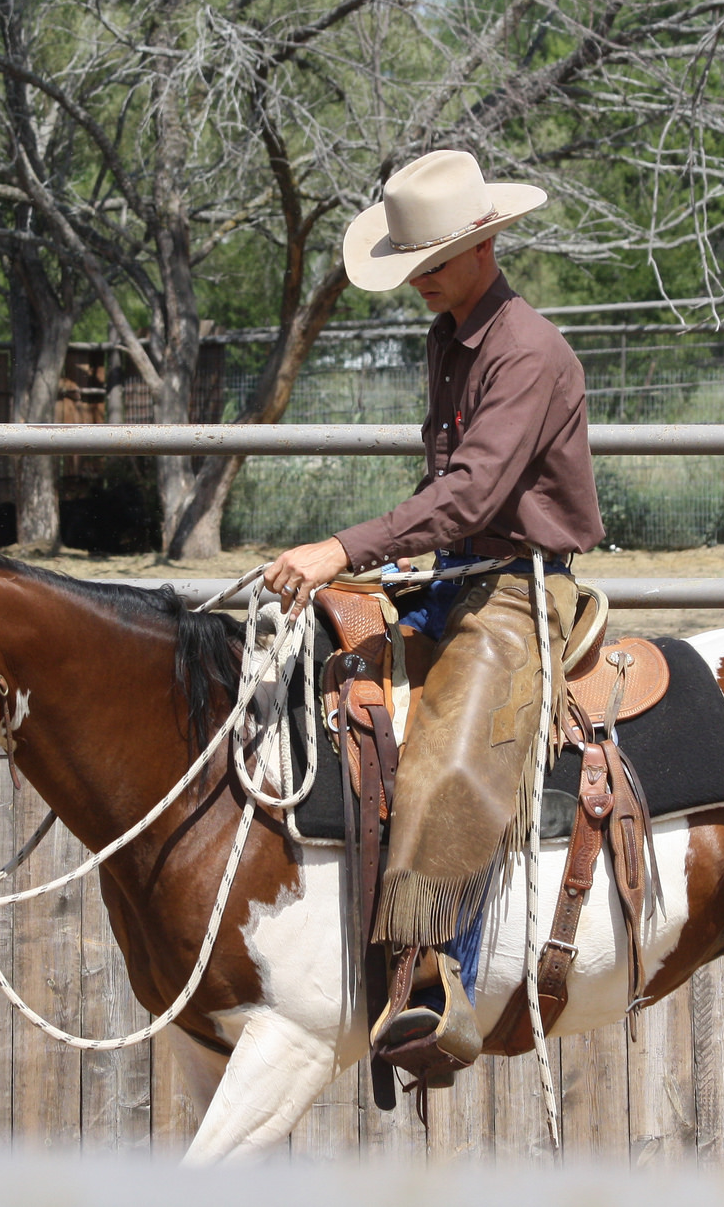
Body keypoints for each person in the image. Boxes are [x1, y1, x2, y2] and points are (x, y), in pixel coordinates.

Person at [262, 149, 603, 1084]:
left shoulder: (528, 351)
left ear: (486, 244)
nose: (420, 280)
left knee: (453, 749)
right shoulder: (448, 335)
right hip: (458, 569)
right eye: (411, 264)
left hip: (519, 588)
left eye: (435, 262)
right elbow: (446, 492)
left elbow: (469, 492)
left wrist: (345, 547)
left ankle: (441, 982)